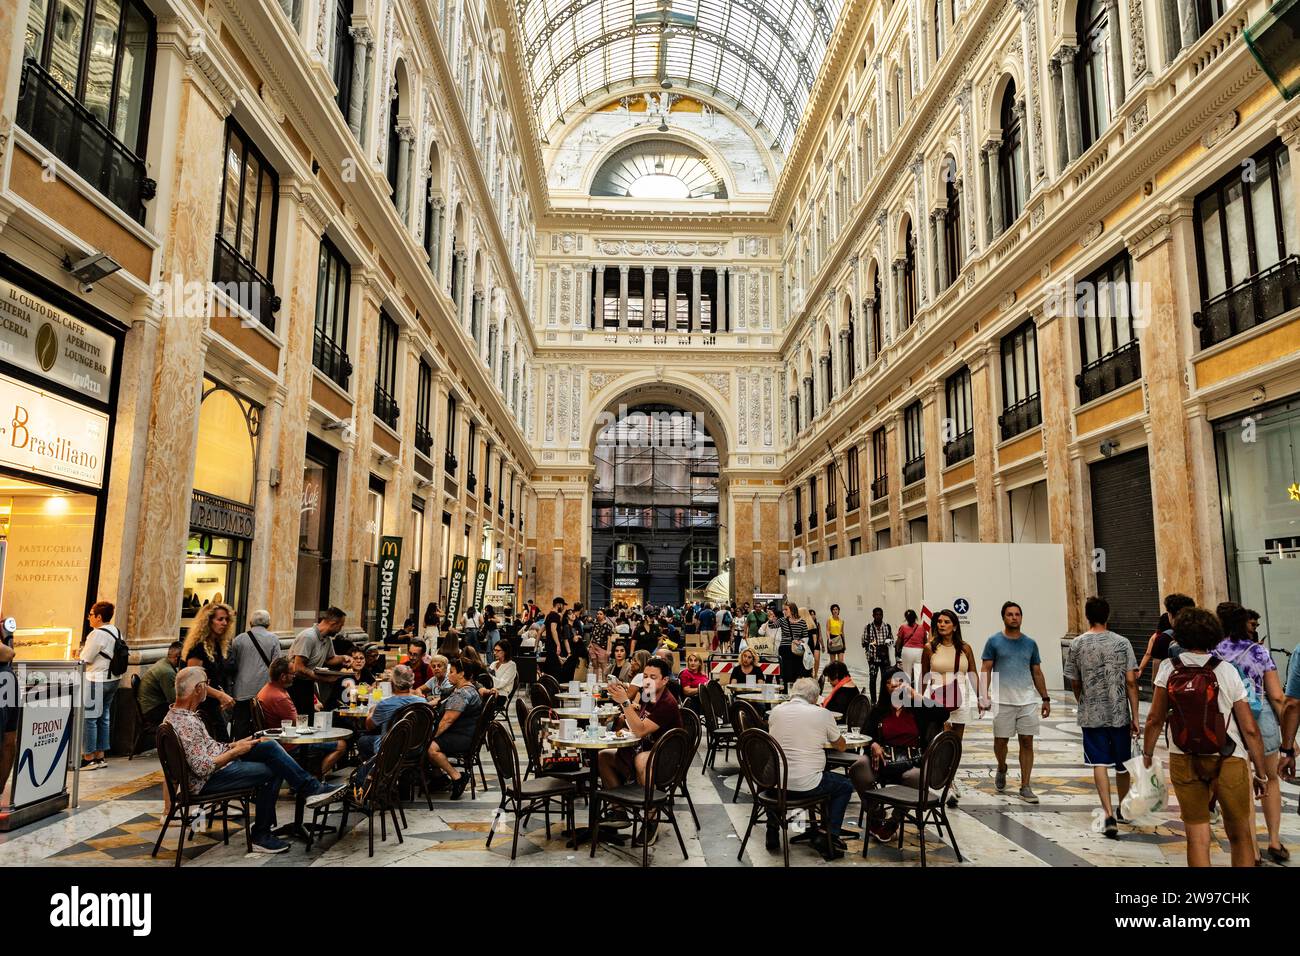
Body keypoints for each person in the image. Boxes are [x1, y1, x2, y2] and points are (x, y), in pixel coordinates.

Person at [164, 666, 345, 854]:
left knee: (269, 746)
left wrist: (239, 744)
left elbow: (208, 749)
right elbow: (202, 768)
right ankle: (261, 834)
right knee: (272, 770)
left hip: (213, 769)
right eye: (207, 684)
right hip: (204, 781)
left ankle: (311, 789)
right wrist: (235, 753)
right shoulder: (186, 723)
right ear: (199, 688)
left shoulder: (179, 716)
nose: (208, 689)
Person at [1142, 607, 1269, 868]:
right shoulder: (1226, 670)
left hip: (1183, 755)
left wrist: (1147, 753)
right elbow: (1249, 728)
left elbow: (1154, 718)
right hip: (1228, 756)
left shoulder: (1168, 668)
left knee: (1197, 838)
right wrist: (1260, 771)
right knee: (1240, 834)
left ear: (1180, 635)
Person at [1214, 601, 1287, 863]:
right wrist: (1288, 736)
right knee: (1271, 779)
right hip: (1262, 720)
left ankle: (1253, 849)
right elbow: (1277, 696)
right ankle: (1275, 841)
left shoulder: (1214, 653)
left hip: (1231, 724)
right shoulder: (1259, 652)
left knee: (1243, 787)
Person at [1064, 597, 1139, 839]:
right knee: (1122, 764)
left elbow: (1074, 681)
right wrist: (1135, 715)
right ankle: (1124, 808)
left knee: (1098, 763)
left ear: (1087, 616)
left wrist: (1082, 701)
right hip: (1119, 713)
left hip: (1091, 714)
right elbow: (1130, 681)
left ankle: (1107, 814)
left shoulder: (1077, 644)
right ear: (1108, 615)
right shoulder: (1123, 643)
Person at [852, 668, 951, 843]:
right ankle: (876, 815)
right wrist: (873, 744)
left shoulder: (917, 708)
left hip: (911, 763)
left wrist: (916, 697)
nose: (894, 684)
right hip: (882, 763)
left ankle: (893, 821)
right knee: (858, 767)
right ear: (885, 686)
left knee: (916, 776)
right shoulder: (878, 710)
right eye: (889, 681)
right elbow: (865, 735)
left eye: (899, 680)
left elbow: (944, 714)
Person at [766, 677, 853, 860]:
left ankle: (772, 828)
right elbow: (841, 746)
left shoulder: (775, 711)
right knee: (844, 785)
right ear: (815, 698)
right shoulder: (822, 714)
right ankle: (827, 833)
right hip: (808, 785)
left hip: (775, 784)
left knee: (784, 769)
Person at [599, 658, 682, 845]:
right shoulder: (647, 694)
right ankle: (619, 811)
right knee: (604, 756)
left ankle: (651, 820)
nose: (647, 681)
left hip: (667, 759)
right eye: (645, 676)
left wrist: (625, 703)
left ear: (664, 680)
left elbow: (641, 730)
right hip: (645, 747)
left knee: (641, 760)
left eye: (653, 677)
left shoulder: (667, 703)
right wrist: (626, 716)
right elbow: (637, 721)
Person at [978, 601, 1050, 803]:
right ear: (1004, 617)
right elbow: (986, 669)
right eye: (1010, 614)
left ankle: (1025, 785)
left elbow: (1037, 671)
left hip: (1027, 701)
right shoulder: (994, 641)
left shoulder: (1030, 643)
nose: (1014, 617)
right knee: (1001, 741)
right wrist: (983, 695)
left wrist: (1045, 698)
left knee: (1027, 741)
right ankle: (1001, 766)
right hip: (1002, 701)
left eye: (1017, 614)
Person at [257, 659, 346, 776]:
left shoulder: (266, 689)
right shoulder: (280, 697)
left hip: (279, 739)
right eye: (292, 674)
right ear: (283, 676)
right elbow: (298, 724)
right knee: (341, 744)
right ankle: (312, 780)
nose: (295, 676)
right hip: (291, 744)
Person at [427, 658, 484, 799]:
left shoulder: (462, 694)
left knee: (429, 747)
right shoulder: (464, 688)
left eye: (451, 672)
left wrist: (431, 737)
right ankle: (438, 778)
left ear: (461, 674)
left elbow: (447, 721)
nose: (448, 675)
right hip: (462, 732)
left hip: (463, 736)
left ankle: (457, 777)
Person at [181, 602, 236, 744]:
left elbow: (214, 676)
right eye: (220, 619)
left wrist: (220, 694)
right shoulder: (198, 647)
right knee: (219, 744)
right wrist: (220, 695)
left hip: (211, 704)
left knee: (222, 743)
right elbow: (195, 682)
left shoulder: (216, 645)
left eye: (226, 620)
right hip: (200, 707)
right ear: (208, 621)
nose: (224, 623)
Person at [78, 601, 123, 770]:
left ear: (98, 617)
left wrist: (78, 655)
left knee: (89, 718)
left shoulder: (96, 634)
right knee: (104, 716)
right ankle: (100, 756)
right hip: (113, 680)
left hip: (97, 679)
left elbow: (86, 658)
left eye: (90, 614)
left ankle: (88, 758)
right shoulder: (116, 631)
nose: (88, 617)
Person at [228, 610, 282, 740]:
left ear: (251, 622)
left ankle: (240, 752)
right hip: (264, 690)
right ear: (268, 623)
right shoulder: (274, 639)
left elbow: (232, 663)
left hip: (241, 689)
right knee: (262, 725)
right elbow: (277, 666)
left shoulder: (239, 639)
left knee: (241, 724)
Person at [359, 664, 428, 761]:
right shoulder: (422, 702)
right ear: (412, 682)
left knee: (363, 740)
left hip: (390, 749)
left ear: (392, 683)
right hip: (416, 748)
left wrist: (373, 710)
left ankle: (374, 770)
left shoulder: (385, 704)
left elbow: (369, 726)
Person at [289, 608, 349, 716]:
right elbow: (298, 667)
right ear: (333, 623)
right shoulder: (308, 637)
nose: (340, 629)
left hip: (308, 683)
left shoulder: (327, 639)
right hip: (295, 684)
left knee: (310, 718)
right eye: (341, 625)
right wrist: (322, 678)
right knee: (301, 719)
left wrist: (344, 658)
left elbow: (329, 659)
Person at [1136, 593, 1195, 682]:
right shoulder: (1201, 634)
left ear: (1171, 615)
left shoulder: (1162, 639)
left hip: (1173, 688)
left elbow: (1156, 675)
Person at [137, 641, 183, 729]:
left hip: (150, 706)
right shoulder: (167, 672)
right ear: (178, 657)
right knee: (183, 715)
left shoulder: (164, 662)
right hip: (152, 710)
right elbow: (173, 700)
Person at [862, 607, 894, 703]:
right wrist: (870, 644)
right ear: (873, 615)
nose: (878, 616)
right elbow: (863, 642)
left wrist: (888, 642)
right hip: (872, 658)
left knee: (885, 680)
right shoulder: (868, 627)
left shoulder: (887, 626)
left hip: (884, 658)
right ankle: (873, 701)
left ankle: (882, 701)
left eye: (880, 614)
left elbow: (892, 640)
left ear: (882, 615)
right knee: (873, 679)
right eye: (876, 614)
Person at [778, 602, 810, 687]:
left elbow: (806, 636)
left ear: (792, 610)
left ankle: (794, 691)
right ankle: (786, 692)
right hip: (785, 649)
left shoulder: (802, 622)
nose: (784, 611)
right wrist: (770, 620)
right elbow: (773, 625)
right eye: (783, 609)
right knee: (786, 673)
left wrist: (800, 641)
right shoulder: (782, 620)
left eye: (786, 609)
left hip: (797, 650)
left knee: (796, 672)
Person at [895, 610, 926, 684]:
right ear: (915, 617)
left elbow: (899, 641)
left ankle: (907, 693)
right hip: (919, 651)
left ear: (906, 618)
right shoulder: (921, 628)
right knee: (918, 674)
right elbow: (925, 641)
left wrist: (897, 651)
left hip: (907, 651)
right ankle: (918, 693)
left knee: (907, 674)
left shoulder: (903, 627)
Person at [541, 597, 568, 679]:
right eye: (563, 605)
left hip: (549, 645)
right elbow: (553, 630)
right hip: (554, 646)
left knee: (549, 669)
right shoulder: (555, 615)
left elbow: (540, 632)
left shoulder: (549, 615)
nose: (563, 607)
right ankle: (554, 688)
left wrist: (535, 647)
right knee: (555, 670)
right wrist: (558, 644)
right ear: (558, 605)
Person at [588, 610, 613, 682]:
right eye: (597, 614)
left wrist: (608, 650)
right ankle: (594, 684)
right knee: (595, 666)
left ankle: (604, 685)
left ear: (604, 615)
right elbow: (593, 635)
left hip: (602, 647)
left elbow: (609, 639)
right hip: (593, 646)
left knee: (603, 667)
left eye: (600, 614)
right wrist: (590, 644)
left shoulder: (608, 626)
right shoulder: (595, 624)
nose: (598, 615)